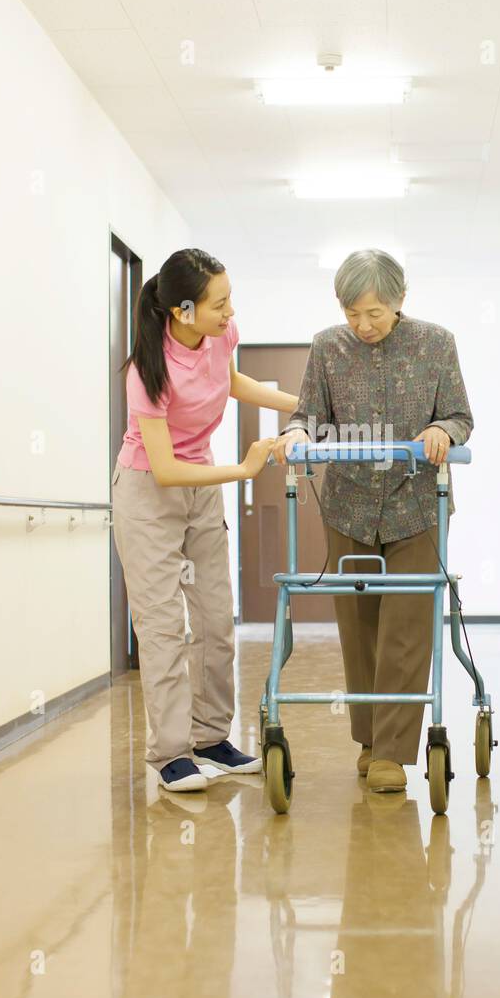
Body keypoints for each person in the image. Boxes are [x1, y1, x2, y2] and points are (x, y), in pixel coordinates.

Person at [275, 249, 473, 794]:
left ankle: (391, 753)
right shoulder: (327, 347)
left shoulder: (436, 344)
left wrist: (444, 431)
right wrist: (296, 436)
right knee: (358, 626)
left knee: (406, 627)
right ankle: (368, 739)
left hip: (416, 506)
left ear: (400, 301)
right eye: (352, 314)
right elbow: (307, 418)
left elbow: (460, 414)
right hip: (350, 504)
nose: (363, 326)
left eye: (375, 314)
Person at [112, 248, 299, 792]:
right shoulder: (146, 371)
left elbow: (232, 384)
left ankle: (211, 736)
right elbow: (166, 471)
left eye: (229, 299)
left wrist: (302, 402)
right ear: (182, 311)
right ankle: (171, 753)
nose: (229, 311)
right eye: (219, 303)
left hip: (200, 490)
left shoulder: (222, 335)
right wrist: (242, 469)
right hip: (150, 492)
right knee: (165, 627)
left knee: (217, 618)